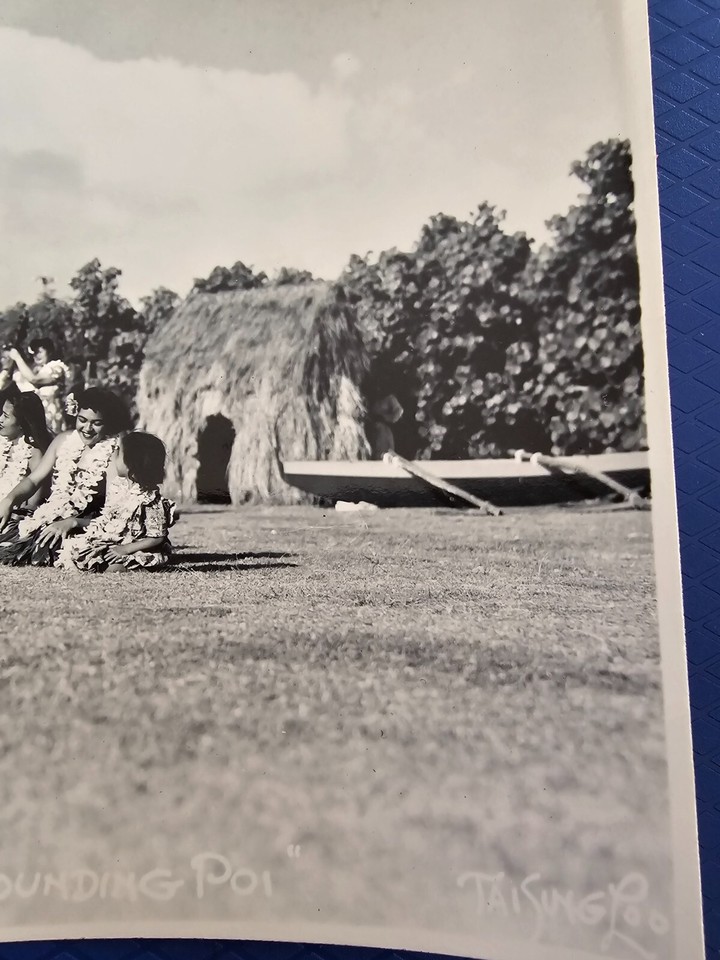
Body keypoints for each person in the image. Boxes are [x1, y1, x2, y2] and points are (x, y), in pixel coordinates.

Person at [0, 386, 131, 566]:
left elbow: (114, 512)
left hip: (88, 523)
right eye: (82, 420)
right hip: (51, 514)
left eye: (96, 423)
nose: (87, 428)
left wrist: (74, 522)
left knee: (56, 550)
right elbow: (33, 480)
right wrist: (9, 500)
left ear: (108, 423)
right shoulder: (63, 440)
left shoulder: (113, 453)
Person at [58, 431, 176, 573]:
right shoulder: (118, 488)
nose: (114, 454)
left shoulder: (150, 501)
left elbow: (157, 538)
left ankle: (137, 568)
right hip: (115, 543)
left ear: (130, 465)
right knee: (79, 553)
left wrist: (125, 549)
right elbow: (108, 520)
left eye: (119, 452)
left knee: (114, 569)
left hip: (138, 549)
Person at [0, 386, 53, 508]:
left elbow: (34, 503)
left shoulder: (34, 454)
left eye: (6, 416)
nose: (0, 420)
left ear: (22, 423)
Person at [8, 339, 70, 433]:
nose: (37, 356)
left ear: (49, 352)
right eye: (34, 353)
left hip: (52, 416)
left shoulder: (56, 368)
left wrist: (18, 358)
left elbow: (34, 379)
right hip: (34, 417)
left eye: (40, 352)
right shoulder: (31, 369)